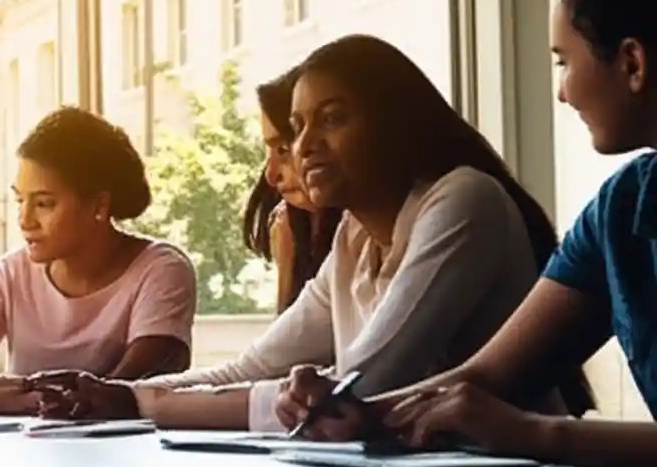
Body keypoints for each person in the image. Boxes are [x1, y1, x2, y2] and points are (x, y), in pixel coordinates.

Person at [278, 0, 657, 467]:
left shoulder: (467, 201)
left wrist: (539, 434)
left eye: (564, 62)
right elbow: (484, 378)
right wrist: (360, 414)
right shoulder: (621, 209)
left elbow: (502, 406)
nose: (561, 90)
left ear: (632, 63)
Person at [29, 34, 593, 430]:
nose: (305, 146)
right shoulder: (352, 239)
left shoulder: (461, 200)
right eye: (298, 127)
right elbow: (253, 368)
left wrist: (148, 405)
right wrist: (124, 396)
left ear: (393, 123)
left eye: (333, 118)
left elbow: (357, 386)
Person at [0, 106, 197, 415]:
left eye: (44, 203)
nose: (24, 220)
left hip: (126, 456)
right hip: (27, 455)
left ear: (99, 205)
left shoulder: (161, 271)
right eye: (20, 200)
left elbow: (116, 397)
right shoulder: (7, 276)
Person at [240, 67, 343, 314]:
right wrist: (288, 264)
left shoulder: (362, 235)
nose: (271, 175)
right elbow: (289, 343)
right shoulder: (295, 226)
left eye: (284, 150)